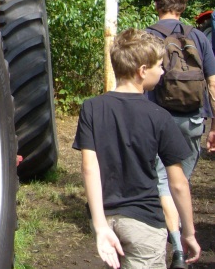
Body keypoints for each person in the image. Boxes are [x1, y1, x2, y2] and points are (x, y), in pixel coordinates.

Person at [73, 28, 201, 268]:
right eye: (159, 66)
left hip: (106, 220)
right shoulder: (159, 117)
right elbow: (178, 183)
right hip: (145, 224)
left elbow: (90, 169)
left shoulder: (91, 108)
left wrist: (100, 226)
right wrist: (189, 233)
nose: (162, 72)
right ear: (142, 71)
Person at [146, 0, 215, 268]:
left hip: (158, 119)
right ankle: (183, 235)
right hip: (193, 119)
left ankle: (175, 243)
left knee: (163, 181)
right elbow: (212, 82)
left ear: (156, 4)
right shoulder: (198, 37)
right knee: (180, 181)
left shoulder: (147, 36)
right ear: (183, 5)